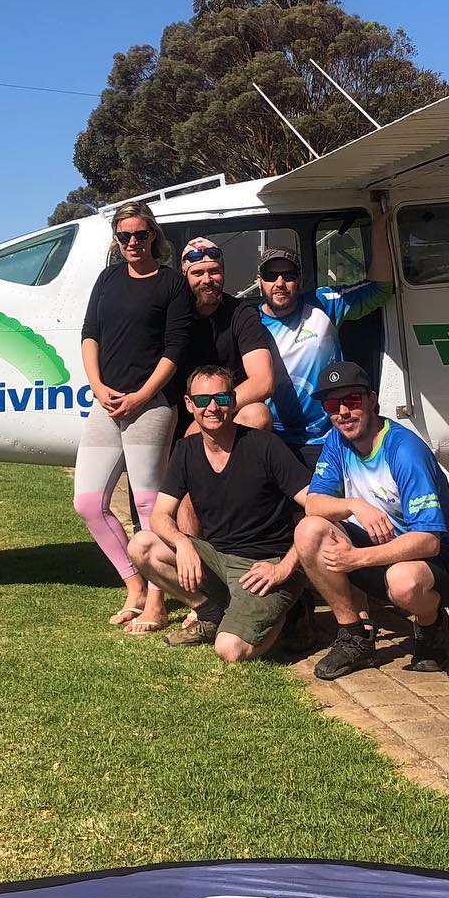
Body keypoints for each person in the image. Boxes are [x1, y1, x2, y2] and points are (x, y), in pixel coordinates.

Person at [295, 362, 449, 679]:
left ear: (371, 400)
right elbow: (314, 504)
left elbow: (429, 540)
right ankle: (354, 637)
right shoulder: (337, 441)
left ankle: (431, 624)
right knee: (309, 530)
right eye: (332, 404)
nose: (343, 412)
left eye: (352, 401)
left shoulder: (404, 450)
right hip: (384, 548)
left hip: (439, 560)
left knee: (404, 583)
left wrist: (357, 558)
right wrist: (354, 505)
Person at [129, 367, 313, 661]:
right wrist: (183, 543)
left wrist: (285, 568)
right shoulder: (186, 450)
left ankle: (285, 614)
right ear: (190, 405)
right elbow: (160, 515)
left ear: (234, 400)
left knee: (229, 649)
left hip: (264, 567)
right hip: (219, 560)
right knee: (141, 545)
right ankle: (211, 612)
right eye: (202, 400)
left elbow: (316, 508)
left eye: (221, 398)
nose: (212, 408)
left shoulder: (265, 446)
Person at [75, 201, 193, 634]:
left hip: (151, 406)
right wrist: (97, 386)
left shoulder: (172, 284)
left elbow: (175, 349)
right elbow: (90, 335)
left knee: (148, 506)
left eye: (139, 235)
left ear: (153, 237)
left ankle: (158, 601)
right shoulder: (107, 279)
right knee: (88, 503)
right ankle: (135, 586)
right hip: (106, 404)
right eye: (123, 236)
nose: (131, 243)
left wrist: (142, 395)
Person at [258, 211, 392, 470]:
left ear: (301, 280)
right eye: (271, 276)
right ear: (259, 282)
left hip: (328, 437)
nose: (280, 283)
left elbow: (380, 289)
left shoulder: (323, 302)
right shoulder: (249, 324)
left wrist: (377, 228)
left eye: (288, 275)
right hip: (274, 439)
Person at [174, 238, 274, 431]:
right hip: (178, 413)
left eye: (214, 271)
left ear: (223, 273)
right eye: (197, 273)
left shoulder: (241, 313)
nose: (207, 280)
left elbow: (263, 381)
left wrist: (210, 414)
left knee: (257, 414)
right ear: (185, 276)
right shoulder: (173, 315)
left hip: (226, 414)